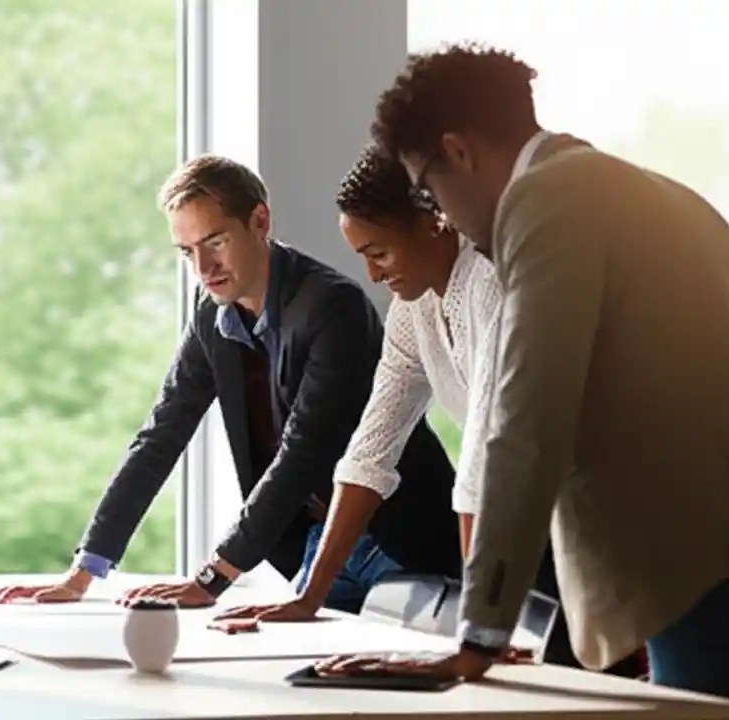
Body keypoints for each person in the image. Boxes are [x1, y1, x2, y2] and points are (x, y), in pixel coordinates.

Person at [317, 43, 729, 720]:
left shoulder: (545, 206)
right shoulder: (646, 188)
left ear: (458, 151)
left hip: (709, 562)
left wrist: (479, 634)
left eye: (426, 188)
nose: (441, 214)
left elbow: (525, 425)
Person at [0, 155, 459, 613]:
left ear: (259, 221)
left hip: (396, 543)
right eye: (187, 251)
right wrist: (83, 572)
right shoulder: (211, 312)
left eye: (215, 242)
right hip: (315, 549)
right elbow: (161, 435)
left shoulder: (332, 307)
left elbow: (303, 452)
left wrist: (213, 578)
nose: (203, 267)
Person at [213, 145, 585, 670]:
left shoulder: (491, 284)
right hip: (530, 529)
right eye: (361, 255)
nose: (371, 274)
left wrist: (471, 644)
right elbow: (369, 454)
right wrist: (308, 598)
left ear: (434, 222)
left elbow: (482, 462)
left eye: (380, 252)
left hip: (594, 524)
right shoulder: (413, 310)